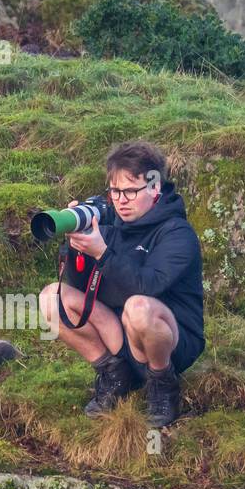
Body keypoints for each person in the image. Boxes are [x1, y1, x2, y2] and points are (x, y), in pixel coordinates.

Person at [40, 140, 205, 426]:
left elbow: (148, 286)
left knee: (139, 307)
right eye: (115, 191)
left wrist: (102, 253)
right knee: (51, 298)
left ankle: (162, 384)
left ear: (154, 188)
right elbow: (82, 289)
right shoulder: (109, 223)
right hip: (119, 332)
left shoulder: (177, 233)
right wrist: (79, 248)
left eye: (130, 191)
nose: (121, 200)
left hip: (171, 339)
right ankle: (115, 374)